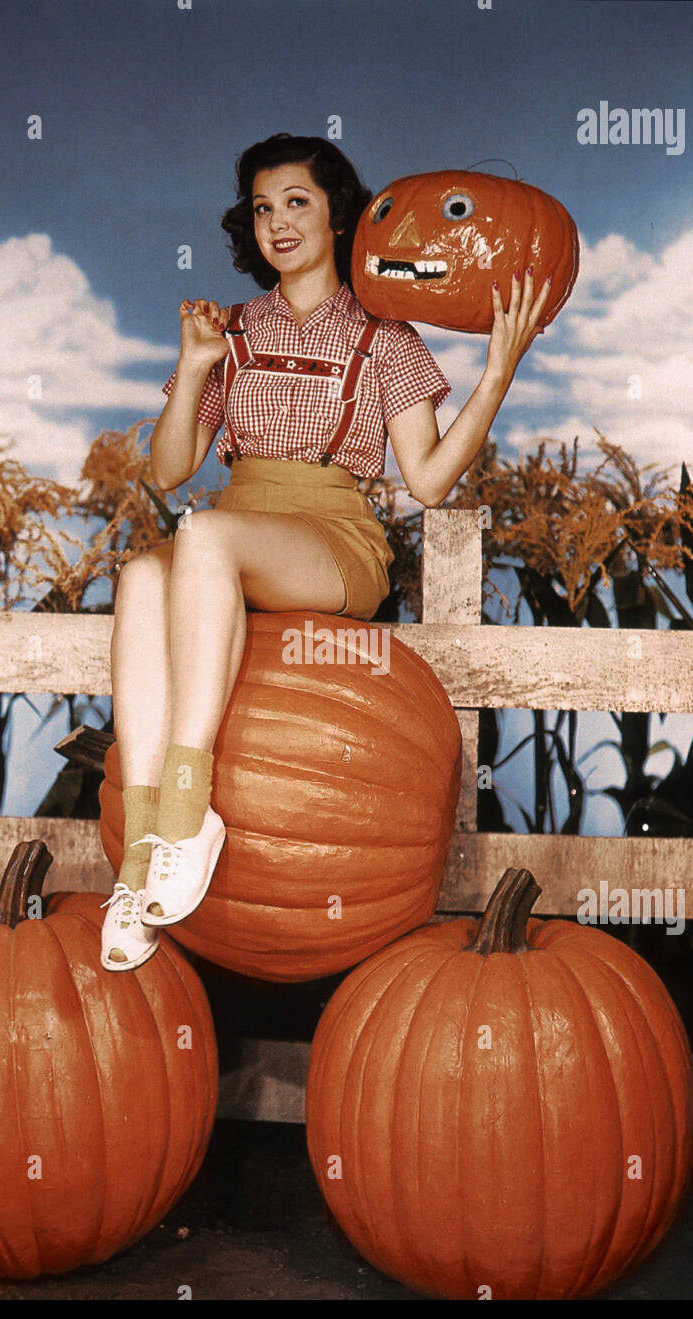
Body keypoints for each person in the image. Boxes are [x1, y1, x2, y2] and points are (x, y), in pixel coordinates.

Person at [100, 132, 551, 971]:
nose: (278, 222)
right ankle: (137, 867)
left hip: (330, 538)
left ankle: (187, 813)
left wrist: (495, 377)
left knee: (202, 537)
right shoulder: (228, 331)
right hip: (234, 530)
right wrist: (196, 366)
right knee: (139, 574)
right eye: (263, 207)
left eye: (297, 202)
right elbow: (169, 472)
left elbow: (425, 482)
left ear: (339, 215)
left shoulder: (387, 338)